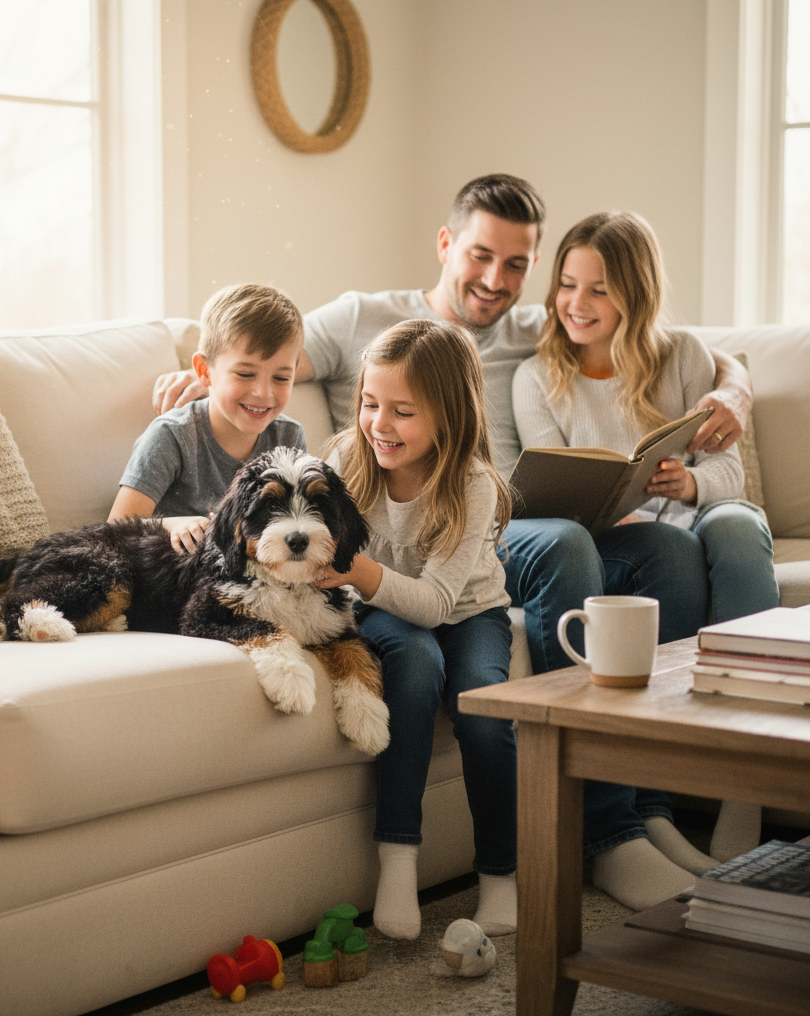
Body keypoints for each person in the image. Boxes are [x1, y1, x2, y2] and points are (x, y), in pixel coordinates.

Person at [151, 175, 755, 910]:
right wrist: (203, 379)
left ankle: (652, 806)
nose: (496, 280)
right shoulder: (363, 321)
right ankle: (605, 831)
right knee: (565, 546)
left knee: (672, 553)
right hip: (436, 539)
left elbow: (661, 338)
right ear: (446, 244)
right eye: (481, 256)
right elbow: (261, 355)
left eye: (517, 264)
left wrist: (733, 388)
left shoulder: (546, 322)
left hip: (488, 521)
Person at [513, 210, 777, 863]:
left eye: (599, 289)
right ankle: (650, 810)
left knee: (737, 530)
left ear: (636, 292)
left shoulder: (683, 357)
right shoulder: (536, 377)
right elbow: (551, 485)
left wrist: (688, 486)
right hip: (608, 535)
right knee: (670, 552)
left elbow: (724, 466)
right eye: (567, 285)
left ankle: (747, 787)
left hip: (690, 514)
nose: (576, 303)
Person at [313, 319, 518, 939]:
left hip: (470, 612)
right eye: (371, 404)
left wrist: (358, 567)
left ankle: (501, 876)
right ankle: (397, 865)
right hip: (379, 611)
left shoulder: (473, 485)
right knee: (416, 667)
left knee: (483, 713)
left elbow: (432, 603)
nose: (379, 423)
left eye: (402, 411)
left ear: (449, 417)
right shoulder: (345, 459)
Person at [110, 283, 306, 550]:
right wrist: (172, 525)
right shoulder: (172, 436)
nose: (263, 392)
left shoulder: (288, 436)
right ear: (204, 371)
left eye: (281, 378)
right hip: (178, 573)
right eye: (245, 374)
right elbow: (115, 528)